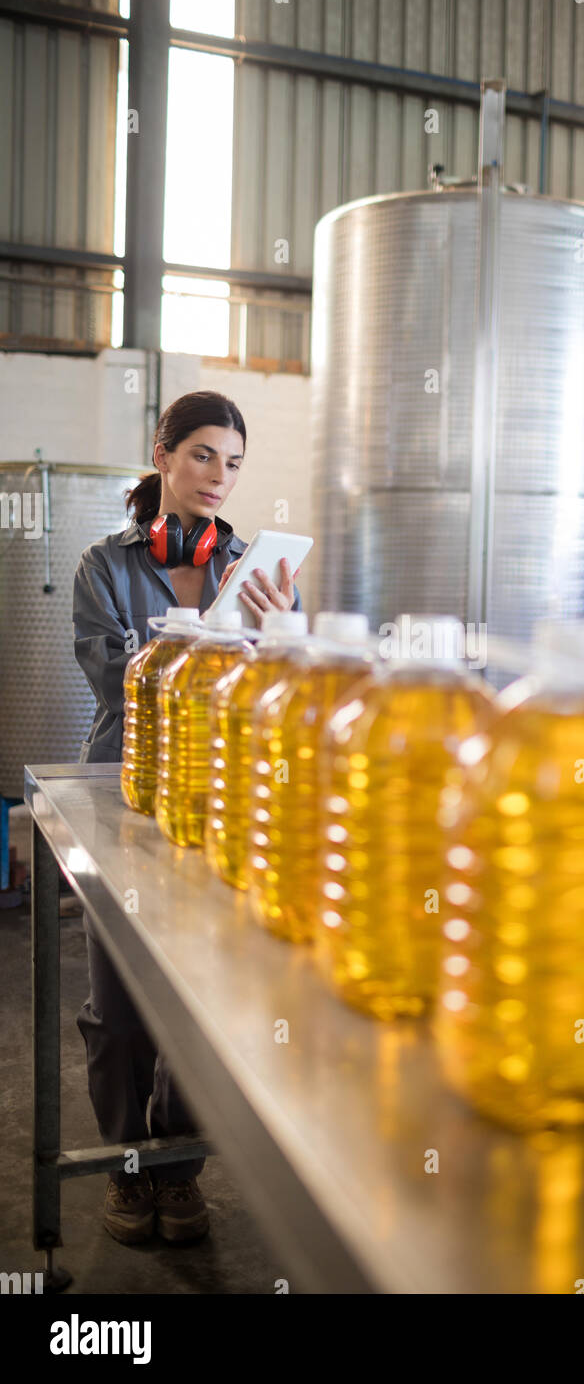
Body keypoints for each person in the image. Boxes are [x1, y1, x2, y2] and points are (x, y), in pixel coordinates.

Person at [72, 389, 301, 1246]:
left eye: (235, 462)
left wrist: (284, 639)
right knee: (117, 1001)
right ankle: (126, 1172)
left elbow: (274, 697)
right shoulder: (105, 565)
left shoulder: (256, 566)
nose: (219, 476)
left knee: (204, 996)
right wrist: (202, 640)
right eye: (203, 454)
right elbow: (112, 682)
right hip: (118, 794)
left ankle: (177, 1169)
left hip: (219, 798)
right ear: (163, 455)